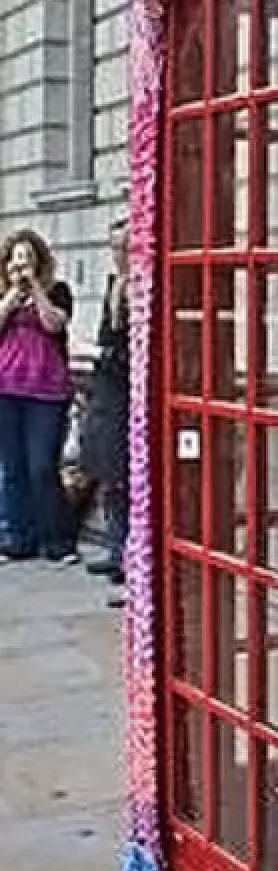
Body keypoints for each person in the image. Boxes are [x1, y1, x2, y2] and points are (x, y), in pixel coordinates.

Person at [0, 229, 78, 565]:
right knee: (12, 467)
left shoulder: (57, 291)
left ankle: (57, 540)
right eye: (16, 261)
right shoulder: (4, 295)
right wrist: (10, 299)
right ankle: (18, 537)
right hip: (6, 388)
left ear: (40, 262)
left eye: (29, 259)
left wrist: (36, 291)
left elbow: (54, 325)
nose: (22, 267)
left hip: (47, 391)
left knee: (43, 466)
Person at [82, 220, 131, 600]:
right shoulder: (114, 286)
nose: (120, 255)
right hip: (108, 389)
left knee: (130, 478)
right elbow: (105, 336)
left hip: (133, 392)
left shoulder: (144, 288)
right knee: (110, 474)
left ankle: (131, 557)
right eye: (115, 247)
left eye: (126, 247)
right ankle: (116, 550)